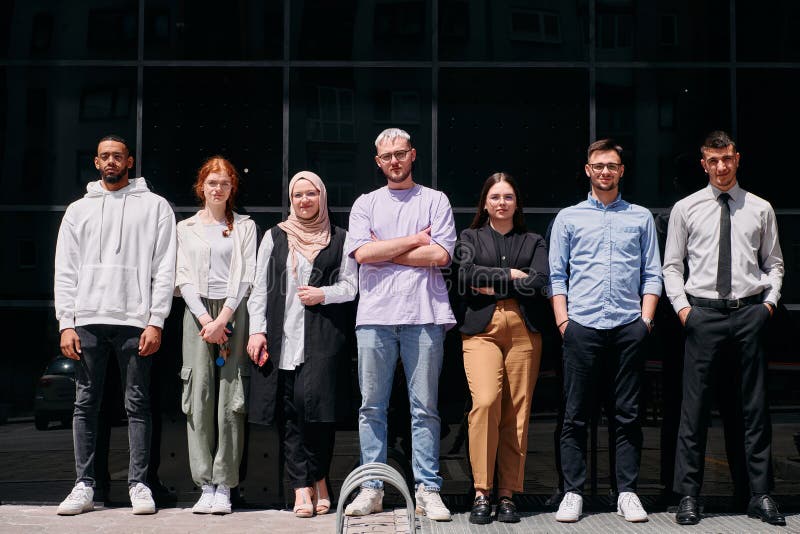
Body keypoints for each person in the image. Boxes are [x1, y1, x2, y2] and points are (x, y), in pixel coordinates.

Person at [663, 131, 785, 526]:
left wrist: (768, 304)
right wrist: (684, 311)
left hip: (749, 314)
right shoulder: (686, 208)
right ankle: (688, 496)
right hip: (703, 317)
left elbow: (774, 264)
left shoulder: (760, 208)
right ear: (703, 163)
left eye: (727, 159)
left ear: (737, 159)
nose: (720, 167)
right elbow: (672, 266)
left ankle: (760, 495)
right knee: (693, 410)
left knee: (753, 410)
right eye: (713, 160)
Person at [54, 134, 177, 515]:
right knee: (84, 404)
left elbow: (164, 267)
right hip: (87, 319)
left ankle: (139, 484)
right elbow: (66, 270)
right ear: (96, 162)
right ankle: (84, 485)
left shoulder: (155, 207)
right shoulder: (78, 210)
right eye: (105, 156)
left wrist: (155, 321)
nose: (111, 162)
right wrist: (66, 322)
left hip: (135, 320)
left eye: (117, 156)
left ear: (129, 161)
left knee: (137, 404)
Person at [343, 128, 455, 522]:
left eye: (400, 154)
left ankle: (428, 489)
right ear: (378, 161)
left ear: (413, 155)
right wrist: (412, 241)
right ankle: (371, 488)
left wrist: (386, 251)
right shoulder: (365, 204)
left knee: (424, 409)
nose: (394, 161)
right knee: (371, 407)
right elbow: (362, 253)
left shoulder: (435, 200)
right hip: (374, 318)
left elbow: (440, 255)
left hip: (423, 316)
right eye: (386, 156)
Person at [549, 139, 661, 523]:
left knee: (628, 415)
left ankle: (627, 491)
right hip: (582, 327)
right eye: (598, 166)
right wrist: (564, 322)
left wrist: (645, 321)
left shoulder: (641, 217)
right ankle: (573, 492)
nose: (605, 172)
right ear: (587, 170)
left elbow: (652, 273)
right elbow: (557, 276)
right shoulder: (568, 218)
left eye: (612, 165)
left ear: (621, 170)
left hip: (628, 327)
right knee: (575, 414)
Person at [247, 171, 357, 518]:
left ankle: (321, 480)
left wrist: (323, 294)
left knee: (320, 416)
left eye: (311, 194)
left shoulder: (341, 238)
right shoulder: (275, 237)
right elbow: (259, 288)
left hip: (323, 339)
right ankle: (300, 488)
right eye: (298, 195)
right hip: (284, 339)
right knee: (290, 414)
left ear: (322, 197)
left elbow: (351, 286)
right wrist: (257, 331)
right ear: (291, 200)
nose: (304, 201)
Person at [456, 173, 550, 524]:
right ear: (484, 202)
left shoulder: (534, 240)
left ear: (516, 203)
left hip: (524, 330)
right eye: (495, 197)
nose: (501, 203)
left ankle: (508, 493)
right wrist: (512, 276)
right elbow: (465, 276)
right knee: (485, 403)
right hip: (482, 330)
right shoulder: (468, 237)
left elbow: (540, 281)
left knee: (517, 412)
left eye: (508, 197)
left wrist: (492, 279)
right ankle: (482, 490)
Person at [175, 156, 257, 514]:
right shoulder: (185, 227)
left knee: (231, 397)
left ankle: (224, 483)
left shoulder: (245, 226)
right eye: (212, 182)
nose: (218, 188)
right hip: (197, 315)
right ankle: (204, 483)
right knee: (198, 394)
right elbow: (182, 276)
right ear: (201, 186)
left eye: (224, 182)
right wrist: (205, 318)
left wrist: (223, 318)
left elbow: (247, 274)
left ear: (232, 187)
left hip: (233, 311)